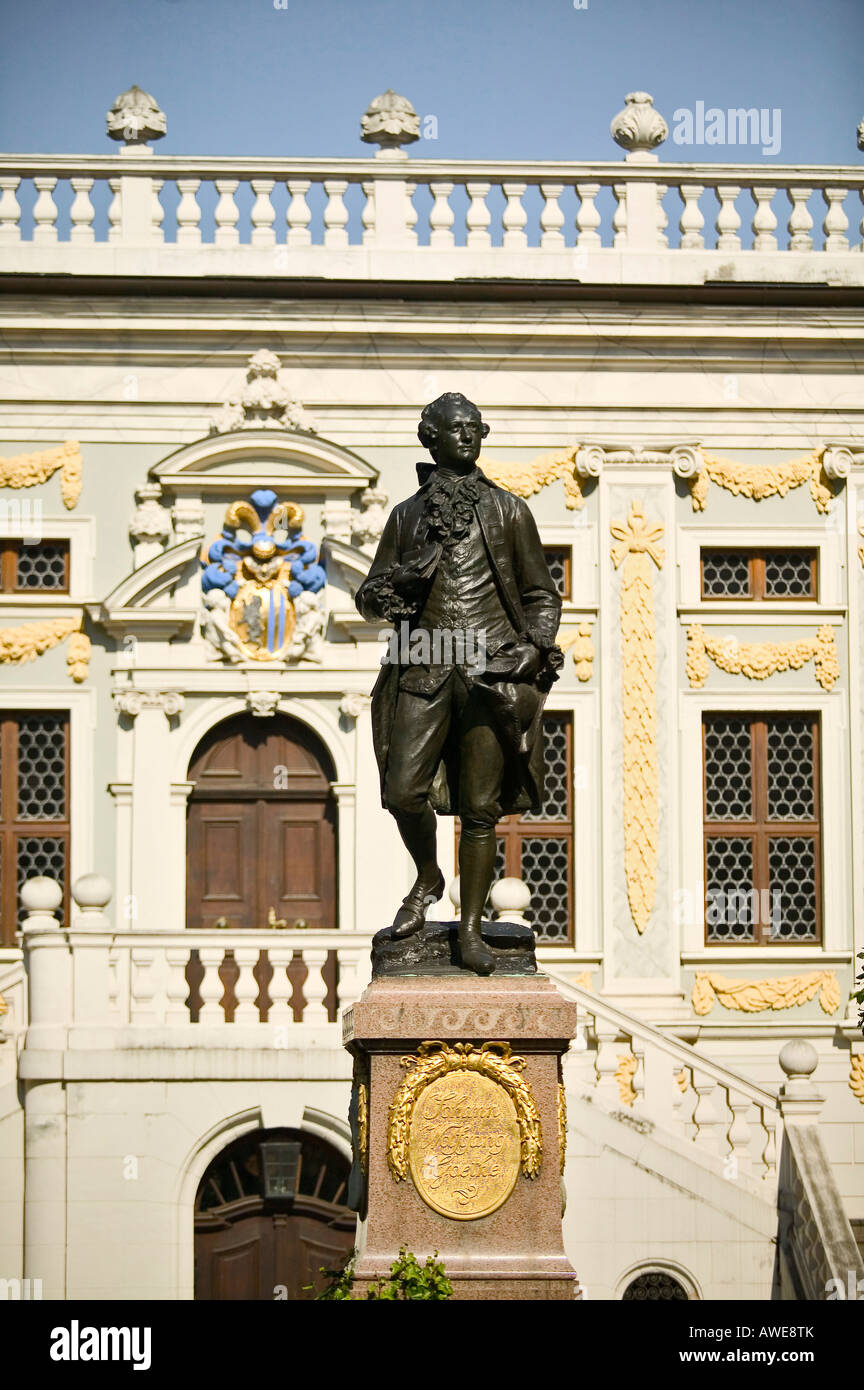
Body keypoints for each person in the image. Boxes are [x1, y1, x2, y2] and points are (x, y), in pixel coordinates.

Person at [355, 393, 563, 975]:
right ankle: (427, 877)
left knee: (480, 809)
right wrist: (388, 589)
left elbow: (541, 594)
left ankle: (470, 929)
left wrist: (535, 645)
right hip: (424, 663)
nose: (468, 437)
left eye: (475, 428)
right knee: (402, 792)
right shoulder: (405, 515)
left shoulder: (509, 510)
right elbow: (369, 594)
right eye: (456, 429)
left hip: (490, 670)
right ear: (431, 438)